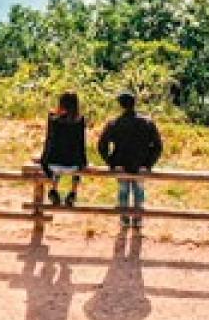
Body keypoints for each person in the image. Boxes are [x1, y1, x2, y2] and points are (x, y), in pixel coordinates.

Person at [97, 91, 163, 229]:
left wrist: (111, 162)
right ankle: (138, 218)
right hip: (141, 164)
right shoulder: (147, 122)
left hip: (121, 163)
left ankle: (124, 218)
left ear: (121, 105)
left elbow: (102, 145)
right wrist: (149, 163)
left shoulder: (114, 123)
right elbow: (158, 146)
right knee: (139, 191)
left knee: (123, 191)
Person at [39, 91, 88, 207]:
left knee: (57, 160)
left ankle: (53, 189)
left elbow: (49, 141)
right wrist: (83, 162)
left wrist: (43, 160)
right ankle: (73, 192)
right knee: (75, 159)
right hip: (73, 166)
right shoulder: (80, 120)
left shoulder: (53, 118)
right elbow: (81, 144)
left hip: (53, 164)